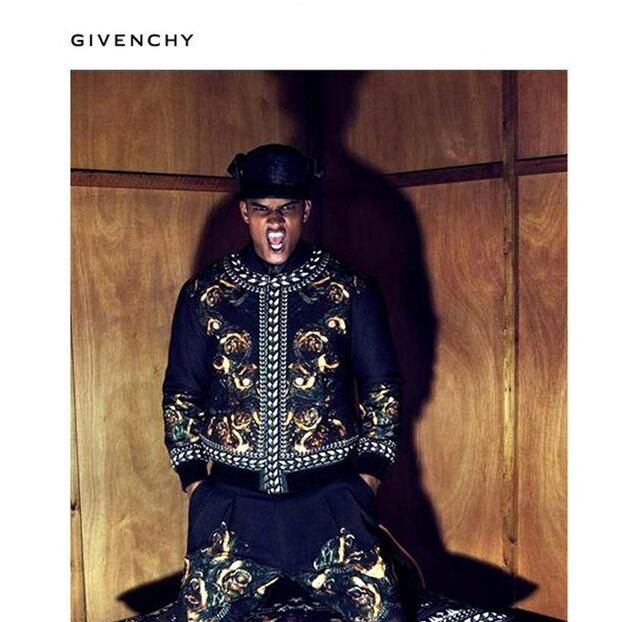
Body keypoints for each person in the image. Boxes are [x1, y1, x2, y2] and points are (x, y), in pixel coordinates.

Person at [156, 143, 404, 622]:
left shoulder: (349, 288)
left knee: (385, 615)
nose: (275, 222)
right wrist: (195, 482)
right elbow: (181, 391)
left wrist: (367, 477)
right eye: (262, 209)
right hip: (232, 508)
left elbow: (383, 386)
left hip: (332, 504)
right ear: (244, 212)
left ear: (305, 211)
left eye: (287, 209)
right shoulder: (205, 294)